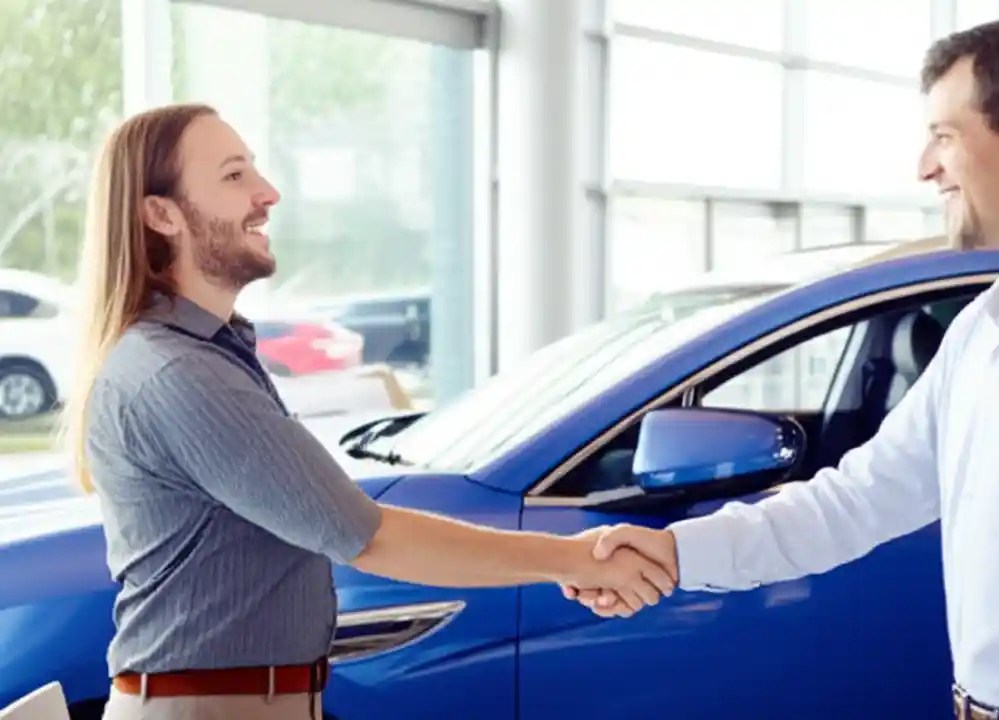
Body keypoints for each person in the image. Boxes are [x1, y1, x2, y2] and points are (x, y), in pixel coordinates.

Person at [566, 18, 999, 720]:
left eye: (945, 136)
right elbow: (857, 501)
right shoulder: (984, 331)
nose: (925, 166)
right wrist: (674, 552)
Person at [62, 103, 675, 720]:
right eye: (233, 176)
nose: (267, 193)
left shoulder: (206, 353)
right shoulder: (179, 373)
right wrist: (575, 555)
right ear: (161, 213)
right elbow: (366, 535)